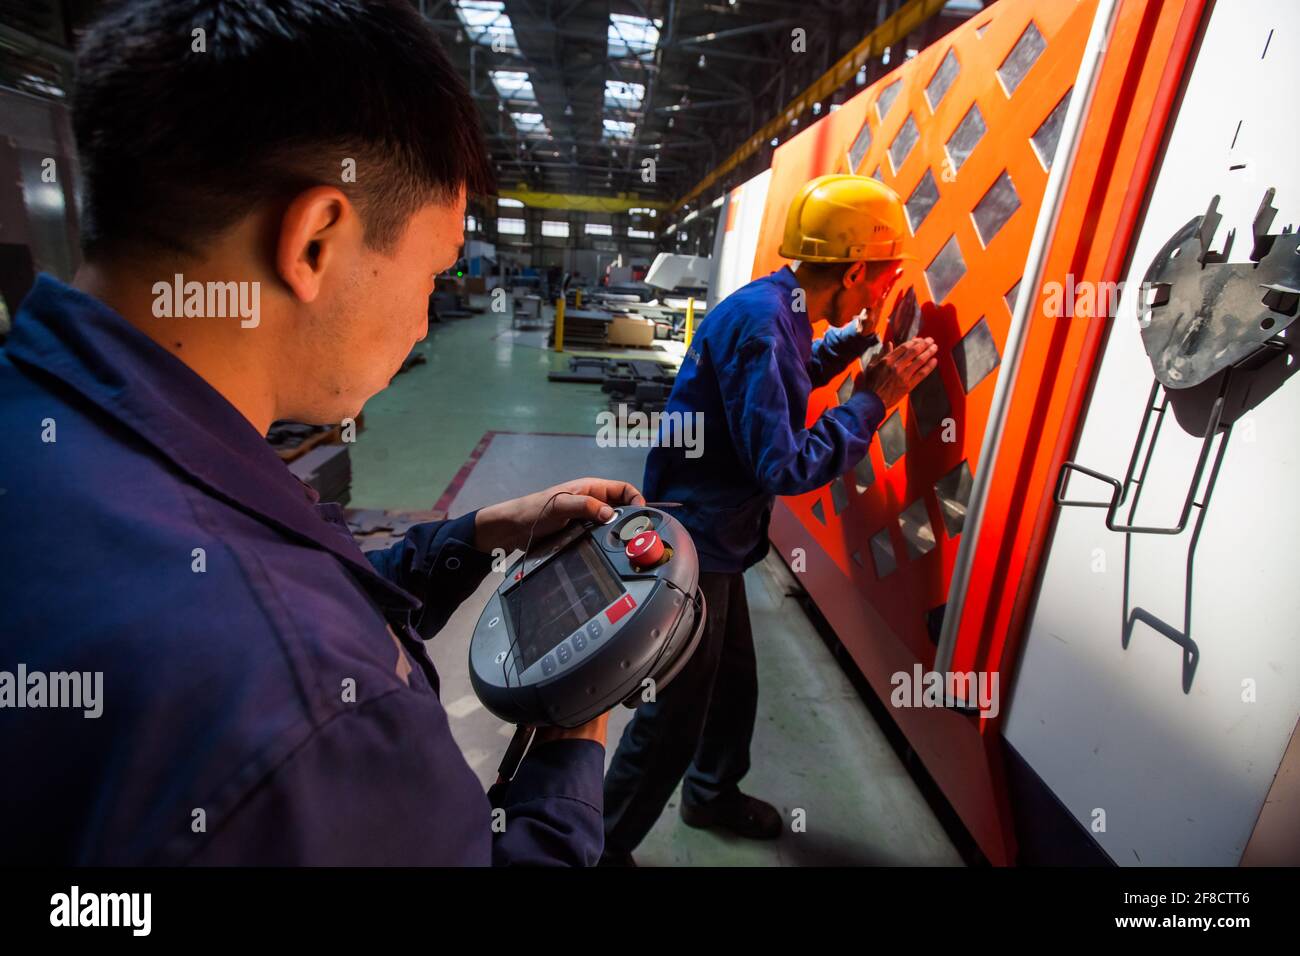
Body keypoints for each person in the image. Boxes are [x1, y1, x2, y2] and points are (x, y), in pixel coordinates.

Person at [0, 0, 636, 866]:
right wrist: (572, 747)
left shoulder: (59, 429)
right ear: (315, 242)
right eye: (432, 271)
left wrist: (473, 537)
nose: (424, 319)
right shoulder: (309, 710)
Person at [601, 174, 939, 864]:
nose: (882, 292)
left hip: (713, 531)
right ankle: (596, 850)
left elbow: (784, 379)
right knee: (675, 715)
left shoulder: (776, 306)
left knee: (732, 685)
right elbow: (781, 466)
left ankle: (711, 792)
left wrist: (850, 344)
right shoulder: (764, 325)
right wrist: (871, 401)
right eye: (880, 278)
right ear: (850, 270)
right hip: (694, 541)